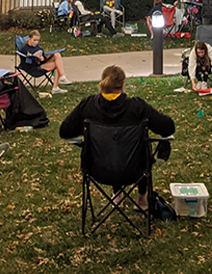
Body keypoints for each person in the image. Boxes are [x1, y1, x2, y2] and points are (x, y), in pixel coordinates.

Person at [59, 64, 175, 209]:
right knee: (140, 146)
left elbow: (64, 131)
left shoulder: (87, 106)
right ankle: (142, 197)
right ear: (123, 84)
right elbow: (168, 126)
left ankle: (117, 193)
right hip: (136, 170)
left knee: (112, 147)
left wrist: (86, 130)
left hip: (97, 170)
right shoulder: (137, 107)